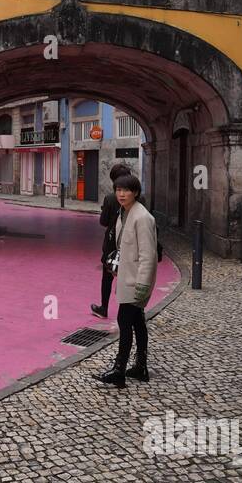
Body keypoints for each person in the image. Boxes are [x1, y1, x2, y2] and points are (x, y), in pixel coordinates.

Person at [96, 172, 158, 389]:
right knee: (138, 322)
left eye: (126, 190)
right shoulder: (125, 212)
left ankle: (119, 370)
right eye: (118, 190)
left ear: (136, 193)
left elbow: (148, 255)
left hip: (136, 282)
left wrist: (142, 284)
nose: (121, 194)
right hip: (127, 277)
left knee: (124, 321)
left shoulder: (142, 218)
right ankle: (140, 366)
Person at [91, 161, 131, 320]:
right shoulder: (139, 197)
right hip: (131, 242)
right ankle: (129, 309)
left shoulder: (110, 198)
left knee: (107, 277)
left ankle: (104, 307)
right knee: (129, 277)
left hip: (112, 243)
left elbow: (103, 222)